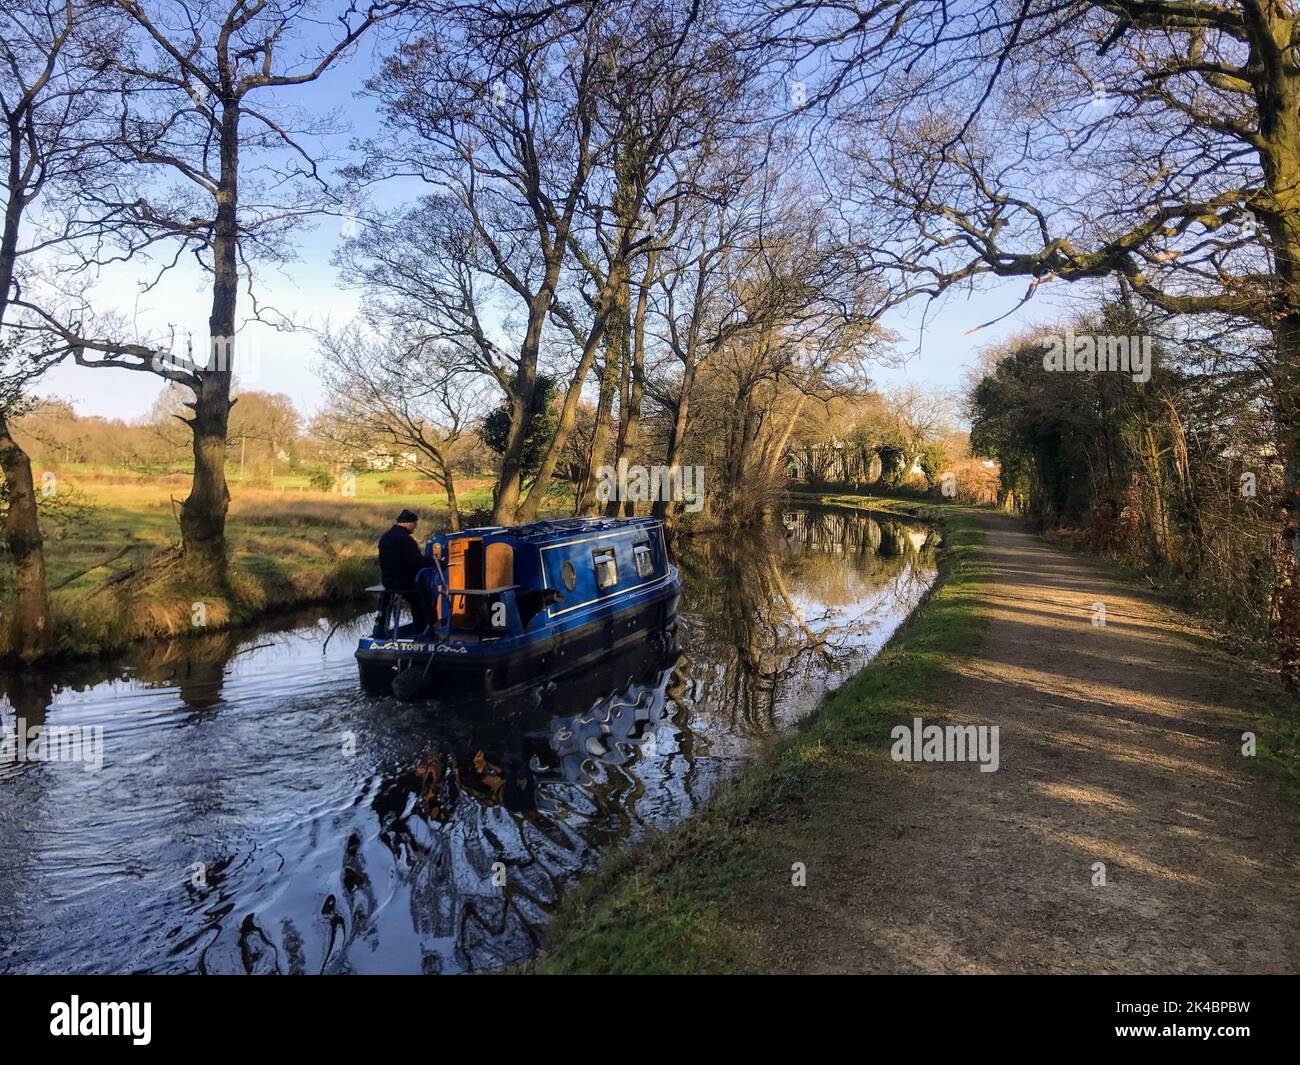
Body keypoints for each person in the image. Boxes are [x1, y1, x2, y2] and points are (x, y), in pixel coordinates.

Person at [377, 509, 431, 634]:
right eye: (415, 525)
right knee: (423, 596)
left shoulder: (385, 537)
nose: (415, 528)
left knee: (412, 594)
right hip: (404, 582)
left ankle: (381, 630)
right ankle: (423, 630)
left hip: (388, 581)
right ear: (409, 523)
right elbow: (416, 562)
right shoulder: (405, 539)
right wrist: (436, 562)